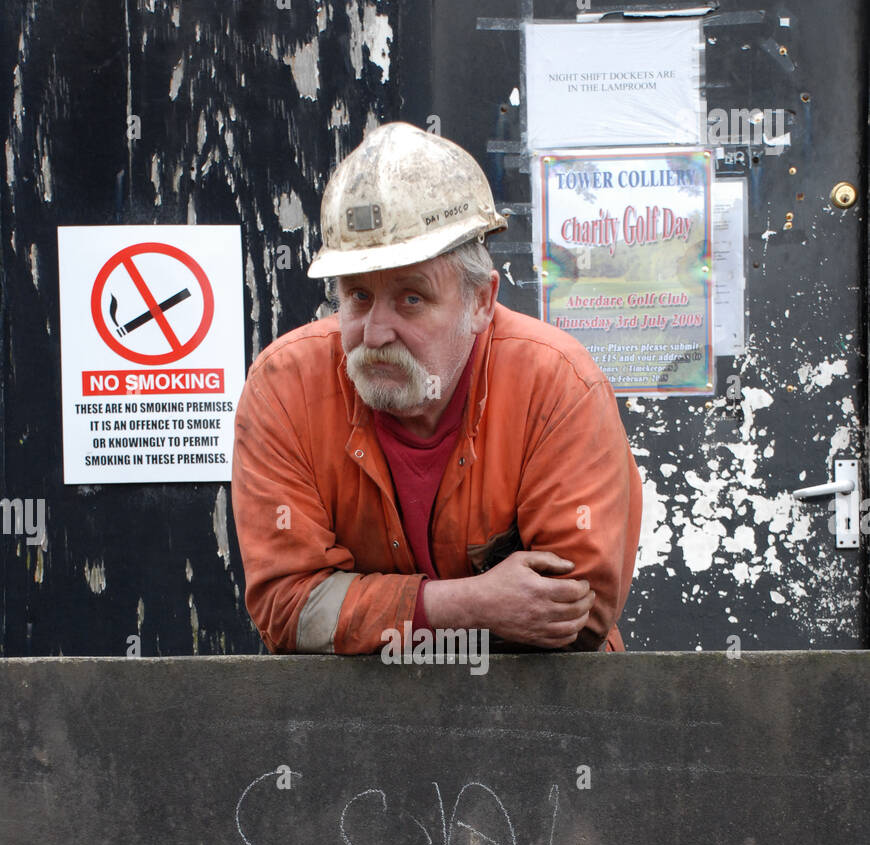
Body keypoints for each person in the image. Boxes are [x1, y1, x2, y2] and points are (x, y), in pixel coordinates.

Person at [231, 121, 642, 655]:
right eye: (357, 297)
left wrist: (368, 616)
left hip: (537, 718)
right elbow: (289, 609)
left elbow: (572, 612)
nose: (375, 334)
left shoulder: (556, 384)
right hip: (350, 724)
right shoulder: (283, 389)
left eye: (411, 299)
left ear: (480, 302)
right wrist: (471, 603)